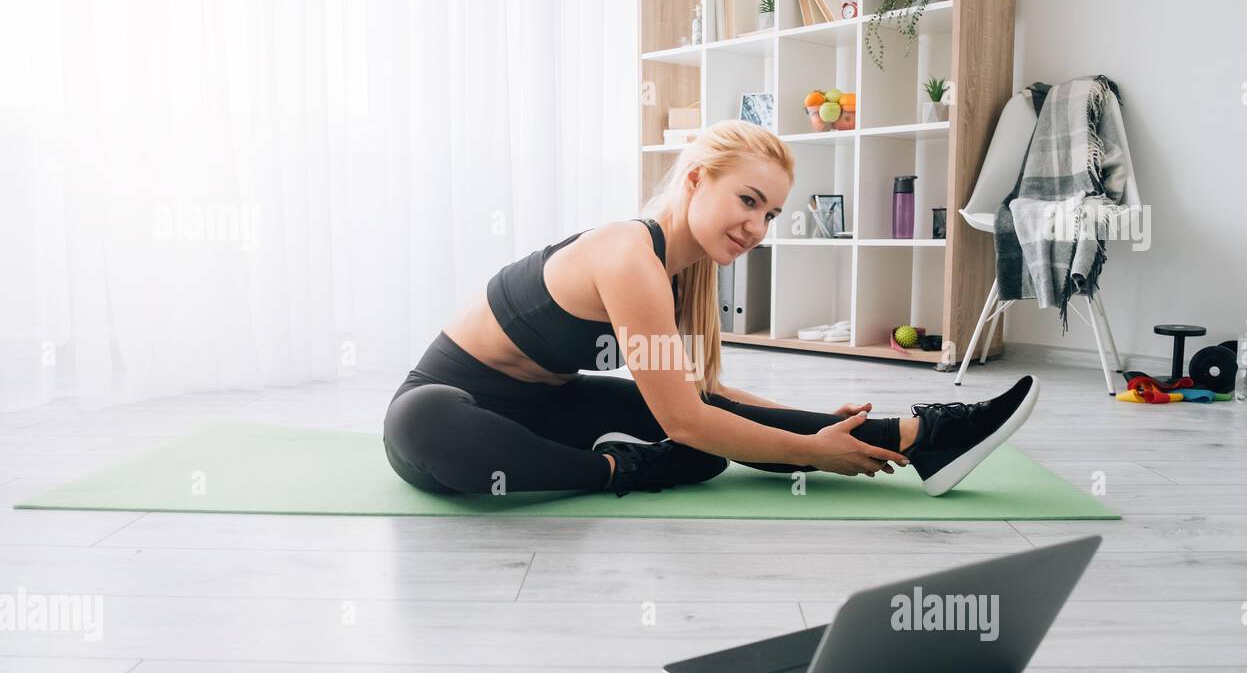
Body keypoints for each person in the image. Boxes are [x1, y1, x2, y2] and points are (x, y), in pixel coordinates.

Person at [383, 120, 1038, 498]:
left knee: (706, 446)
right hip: (452, 407)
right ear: (696, 180)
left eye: (772, 213)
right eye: (749, 200)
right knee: (425, 424)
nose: (759, 225)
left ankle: (921, 437)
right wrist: (810, 451)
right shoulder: (627, 255)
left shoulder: (683, 270)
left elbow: (706, 395)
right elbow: (688, 419)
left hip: (547, 406)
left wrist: (810, 427)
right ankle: (619, 469)